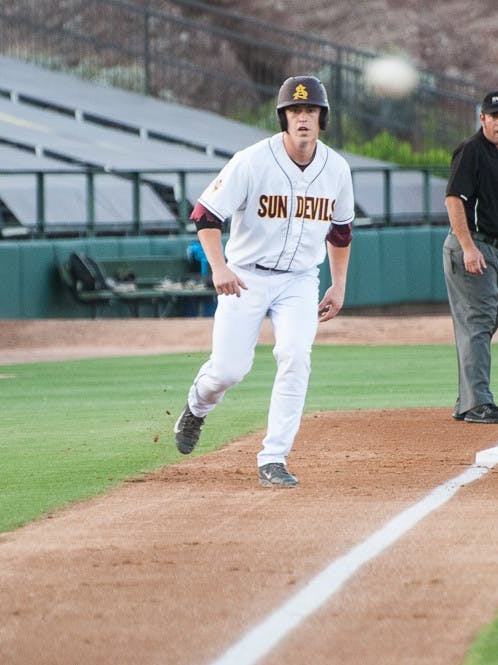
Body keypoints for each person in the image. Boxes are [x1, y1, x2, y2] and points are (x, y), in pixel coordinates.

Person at [173, 75, 354, 488]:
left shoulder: (337, 169)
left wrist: (338, 284)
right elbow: (205, 215)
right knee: (228, 371)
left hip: (300, 280)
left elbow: (340, 232)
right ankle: (197, 406)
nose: (302, 118)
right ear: (283, 118)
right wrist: (218, 267)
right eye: (295, 110)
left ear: (321, 118)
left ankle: (273, 457)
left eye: (310, 110)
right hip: (246, 275)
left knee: (295, 356)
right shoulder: (251, 161)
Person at [443, 90, 498, 424]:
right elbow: (454, 200)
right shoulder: (471, 152)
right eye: (493, 117)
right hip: (473, 247)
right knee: (478, 324)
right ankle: (478, 402)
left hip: (497, 248)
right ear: (482, 119)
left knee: (483, 324)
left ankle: (467, 399)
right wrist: (468, 247)